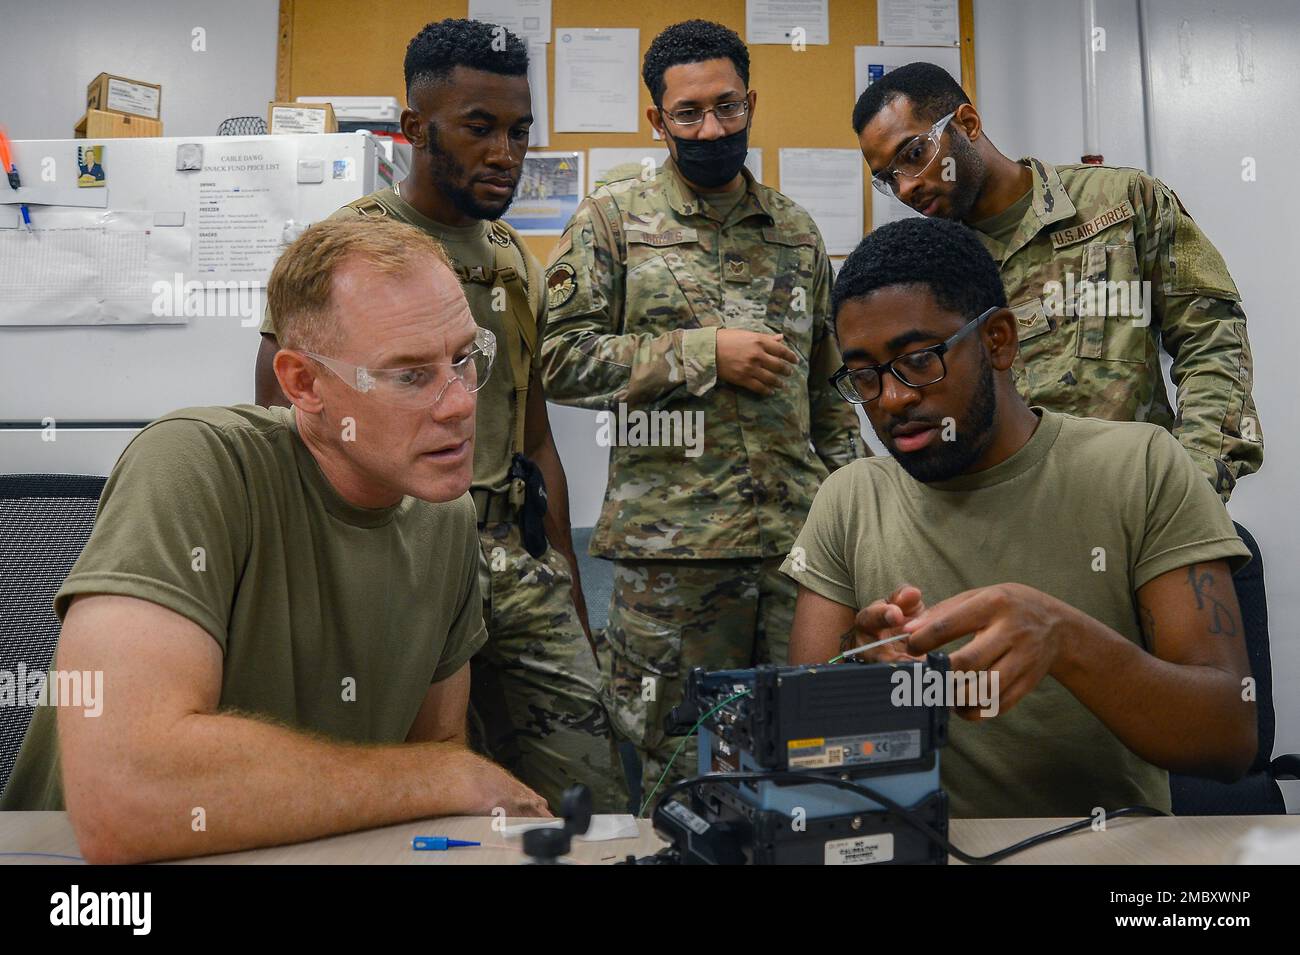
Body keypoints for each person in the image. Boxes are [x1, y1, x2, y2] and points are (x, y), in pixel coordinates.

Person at [0, 218, 549, 861]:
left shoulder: (445, 516)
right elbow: (128, 797)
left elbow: (428, 767)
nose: (460, 404)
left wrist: (443, 777)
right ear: (304, 385)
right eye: (409, 376)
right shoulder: (193, 463)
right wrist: (448, 775)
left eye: (463, 358)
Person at [253, 19, 626, 813]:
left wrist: (569, 595)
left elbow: (536, 441)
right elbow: (284, 430)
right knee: (397, 788)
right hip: (397, 556)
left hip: (509, 556)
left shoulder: (513, 260)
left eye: (520, 131)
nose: (506, 153)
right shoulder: (347, 252)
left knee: (591, 787)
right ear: (416, 128)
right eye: (480, 128)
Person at [784, 217, 1256, 818]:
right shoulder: (848, 500)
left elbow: (1227, 738)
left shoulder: (1140, 468)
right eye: (864, 374)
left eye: (919, 360)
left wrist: (1064, 639)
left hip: (1104, 853)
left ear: (998, 340)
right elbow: (800, 751)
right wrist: (862, 674)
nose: (894, 399)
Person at [541, 19, 865, 799]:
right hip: (673, 557)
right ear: (658, 120)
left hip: (798, 550)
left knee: (812, 760)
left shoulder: (795, 230)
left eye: (726, 107)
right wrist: (699, 352)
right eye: (688, 113)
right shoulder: (612, 222)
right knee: (682, 767)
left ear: (751, 100)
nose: (711, 128)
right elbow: (560, 359)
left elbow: (829, 395)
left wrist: (863, 513)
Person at [853, 62, 1261, 501]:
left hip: (1138, 504)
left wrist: (1194, 483)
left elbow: (1213, 338)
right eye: (888, 178)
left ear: (967, 123)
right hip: (1007, 525)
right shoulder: (928, 274)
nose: (907, 187)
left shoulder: (1121, 203)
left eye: (914, 154)